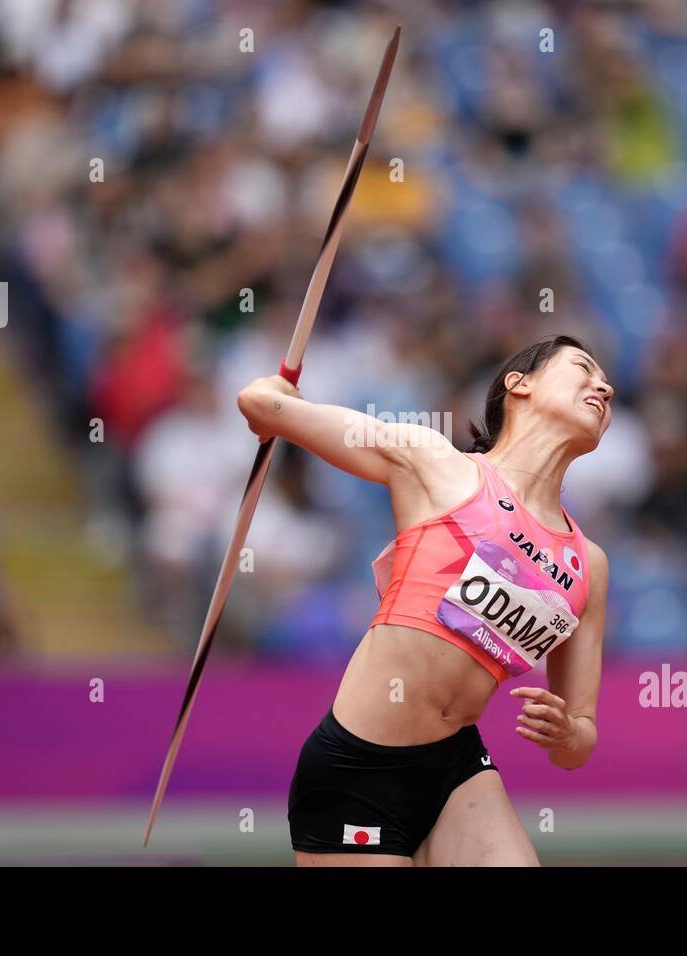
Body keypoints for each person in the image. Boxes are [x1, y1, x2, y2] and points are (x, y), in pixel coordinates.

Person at [237, 334, 611, 866]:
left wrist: (567, 731)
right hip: (356, 770)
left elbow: (576, 747)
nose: (605, 385)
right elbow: (261, 405)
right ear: (519, 384)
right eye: (583, 368)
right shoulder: (436, 463)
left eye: (607, 382)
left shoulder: (586, 563)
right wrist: (274, 401)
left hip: (456, 770)